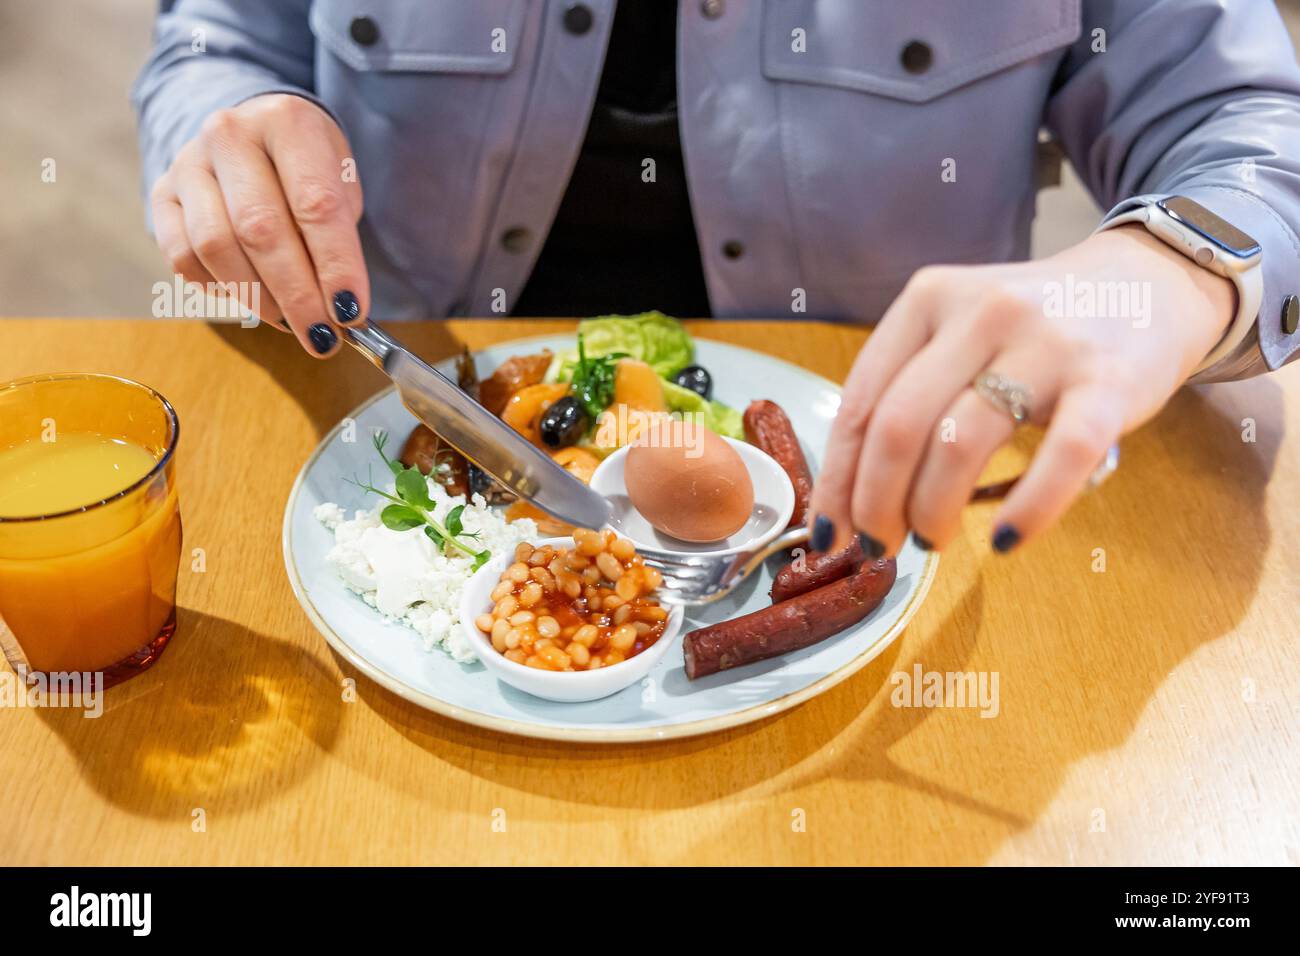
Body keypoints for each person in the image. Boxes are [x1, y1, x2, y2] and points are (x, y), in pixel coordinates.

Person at [133, 0, 1300, 556]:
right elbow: (220, 37)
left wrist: (1163, 272)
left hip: (901, 503)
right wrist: (222, 128)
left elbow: (1245, 126)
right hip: (375, 448)